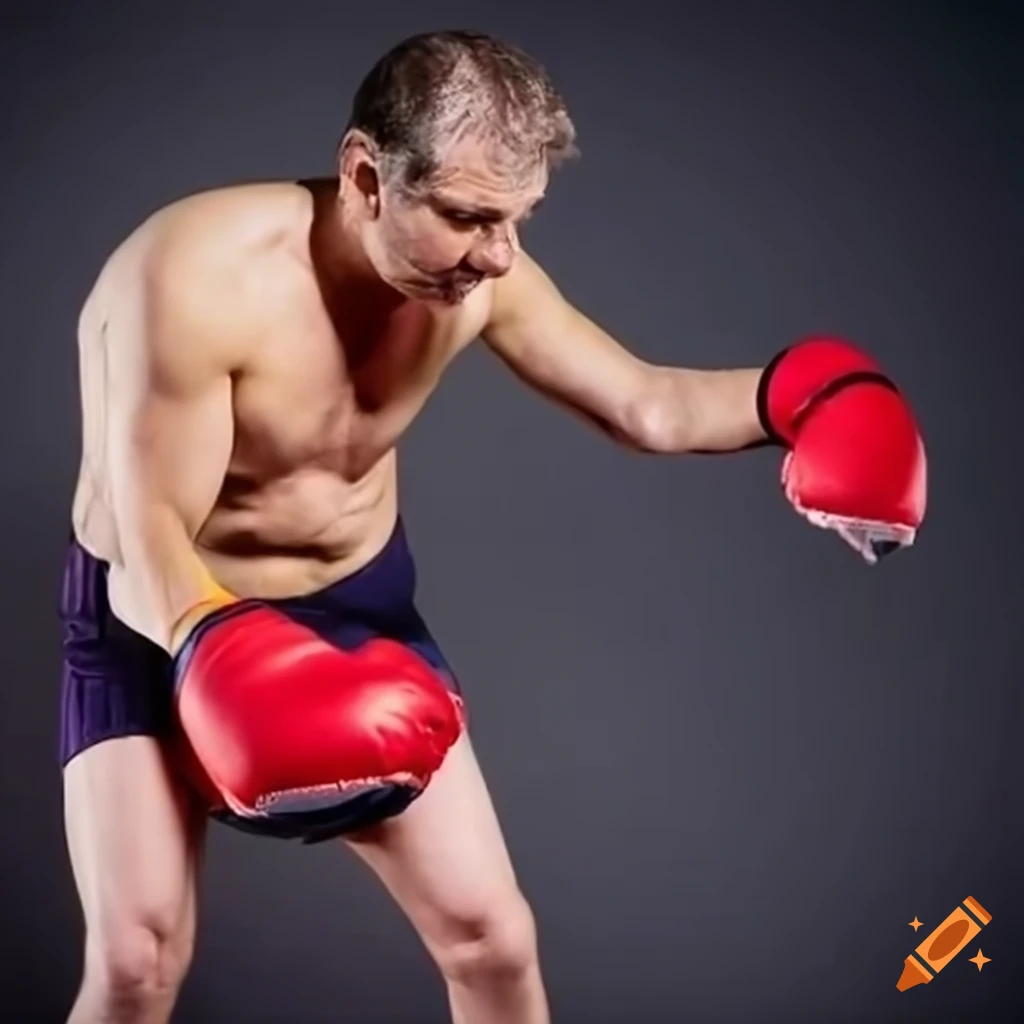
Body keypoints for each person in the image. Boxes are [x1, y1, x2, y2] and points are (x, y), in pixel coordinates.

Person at [58, 29, 926, 1024]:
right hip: (162, 616)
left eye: (517, 220)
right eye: (470, 218)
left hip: (352, 607)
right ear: (366, 176)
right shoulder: (193, 278)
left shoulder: (478, 283)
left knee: (492, 937)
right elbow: (146, 534)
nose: (500, 255)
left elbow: (644, 403)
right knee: (137, 957)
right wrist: (214, 648)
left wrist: (807, 396)